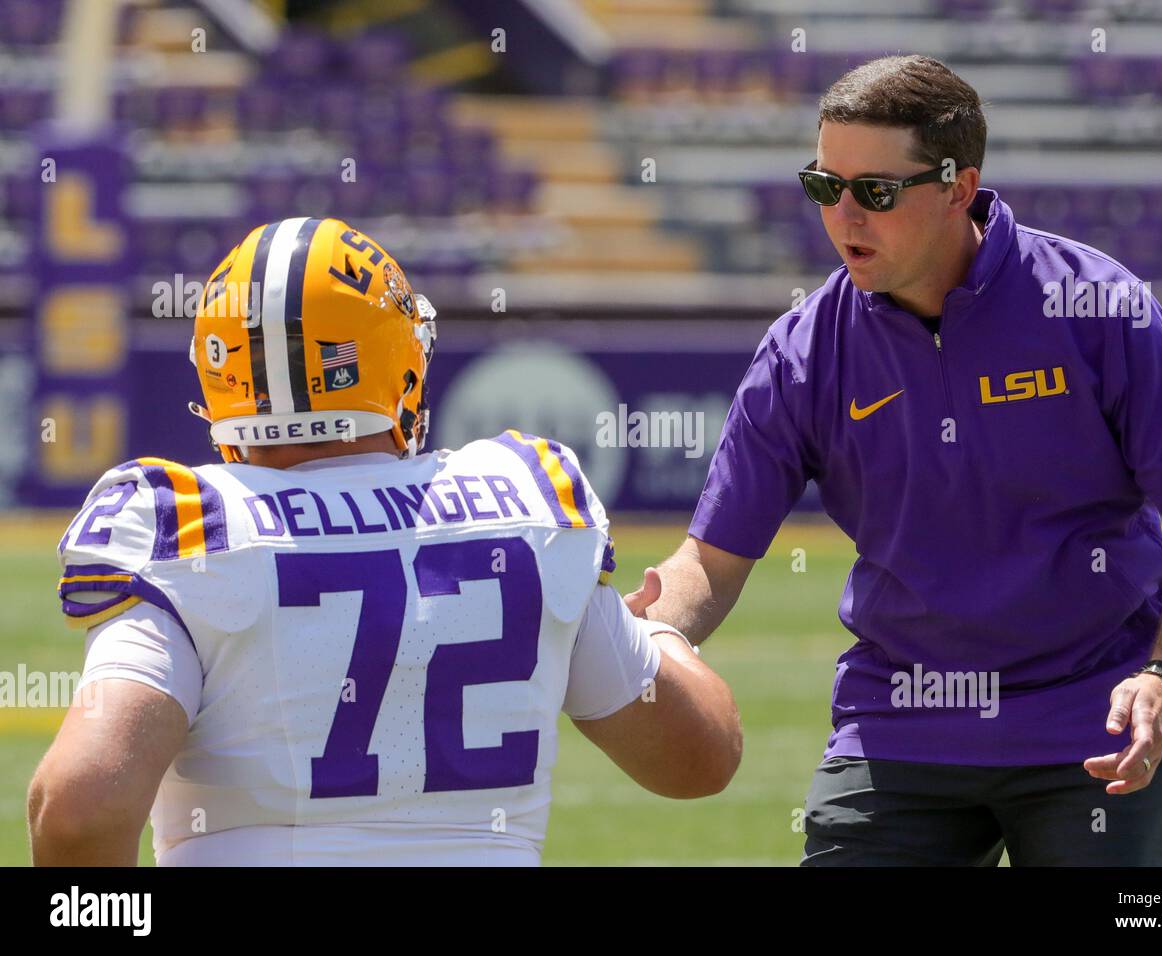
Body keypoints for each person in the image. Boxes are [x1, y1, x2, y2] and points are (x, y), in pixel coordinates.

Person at [625, 55, 1162, 866]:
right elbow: (711, 560)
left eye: (876, 192)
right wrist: (646, 630)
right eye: (825, 187)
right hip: (899, 720)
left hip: (1094, 717)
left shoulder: (1101, 307)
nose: (844, 215)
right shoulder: (802, 352)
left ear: (959, 188)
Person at [29, 217, 741, 866]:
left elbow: (77, 812)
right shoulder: (527, 496)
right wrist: (664, 640)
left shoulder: (181, 523)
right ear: (396, 357)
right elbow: (699, 762)